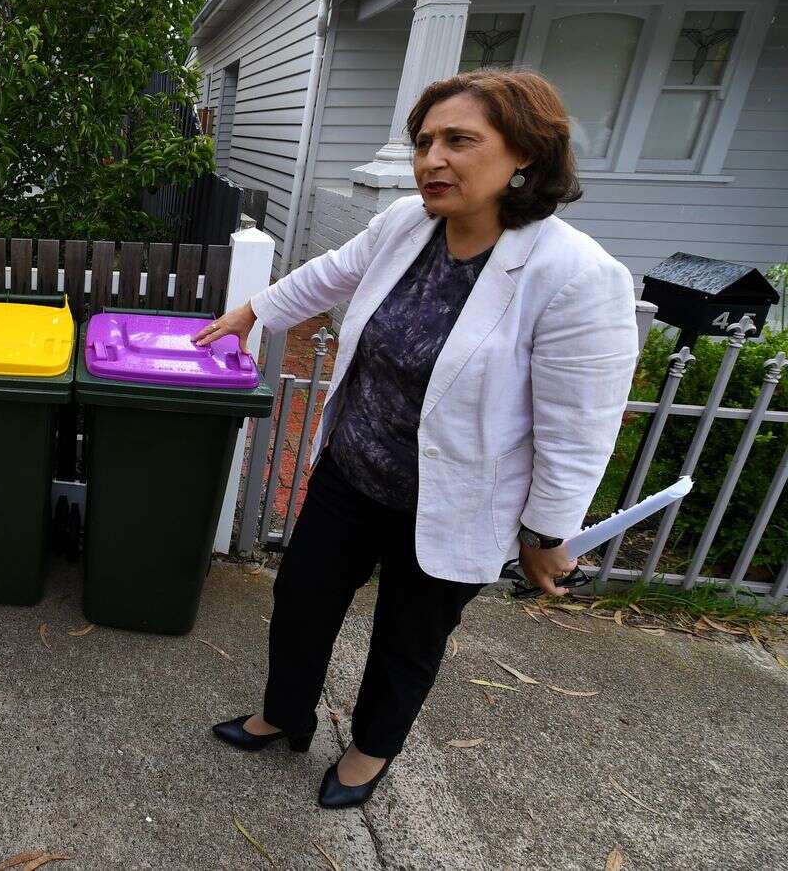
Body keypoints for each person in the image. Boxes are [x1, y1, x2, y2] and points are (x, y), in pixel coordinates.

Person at [197, 69, 637, 809]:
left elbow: (579, 426)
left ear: (525, 154)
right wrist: (253, 312)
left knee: (408, 637)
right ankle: (286, 712)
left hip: (454, 498)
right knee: (302, 598)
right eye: (425, 142)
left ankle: (369, 752)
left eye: (460, 141)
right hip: (353, 468)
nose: (433, 159)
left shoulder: (577, 275)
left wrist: (546, 531)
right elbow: (329, 274)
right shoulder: (407, 224)